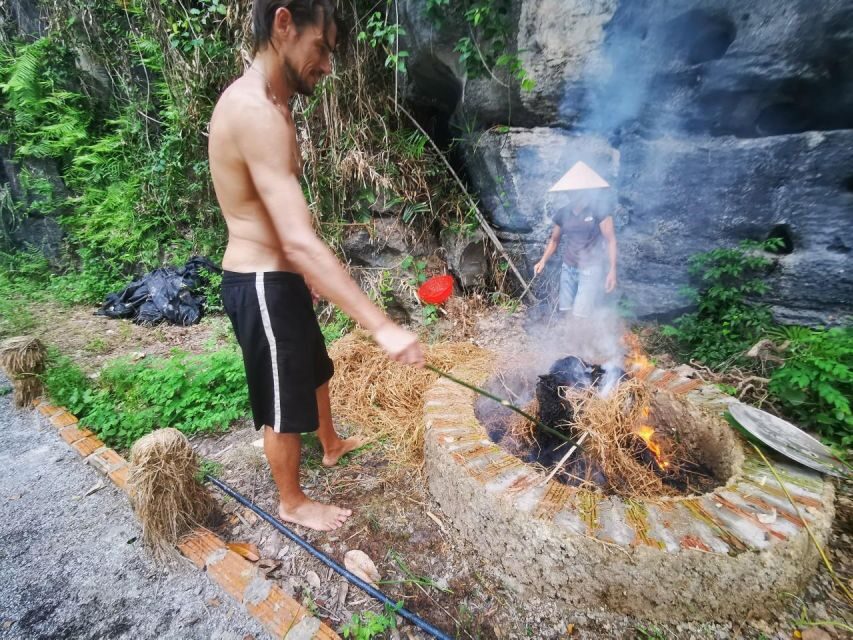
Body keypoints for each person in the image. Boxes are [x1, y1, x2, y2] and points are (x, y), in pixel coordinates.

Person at [208, 0, 424, 532]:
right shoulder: (253, 110)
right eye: (321, 48)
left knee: (315, 368)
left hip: (283, 276)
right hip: (260, 281)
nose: (327, 65)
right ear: (284, 24)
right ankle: (291, 501)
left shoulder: (278, 106)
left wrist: (303, 274)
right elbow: (299, 239)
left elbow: (285, 226)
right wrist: (382, 327)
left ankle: (330, 444)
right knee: (283, 398)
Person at [533, 191, 618, 317]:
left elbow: (610, 241)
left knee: (581, 314)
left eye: (573, 191)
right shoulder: (563, 213)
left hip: (590, 269)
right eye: (568, 191)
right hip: (568, 267)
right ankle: (568, 330)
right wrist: (542, 261)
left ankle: (584, 330)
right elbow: (554, 240)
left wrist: (612, 270)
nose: (569, 193)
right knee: (566, 310)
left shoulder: (599, 211)